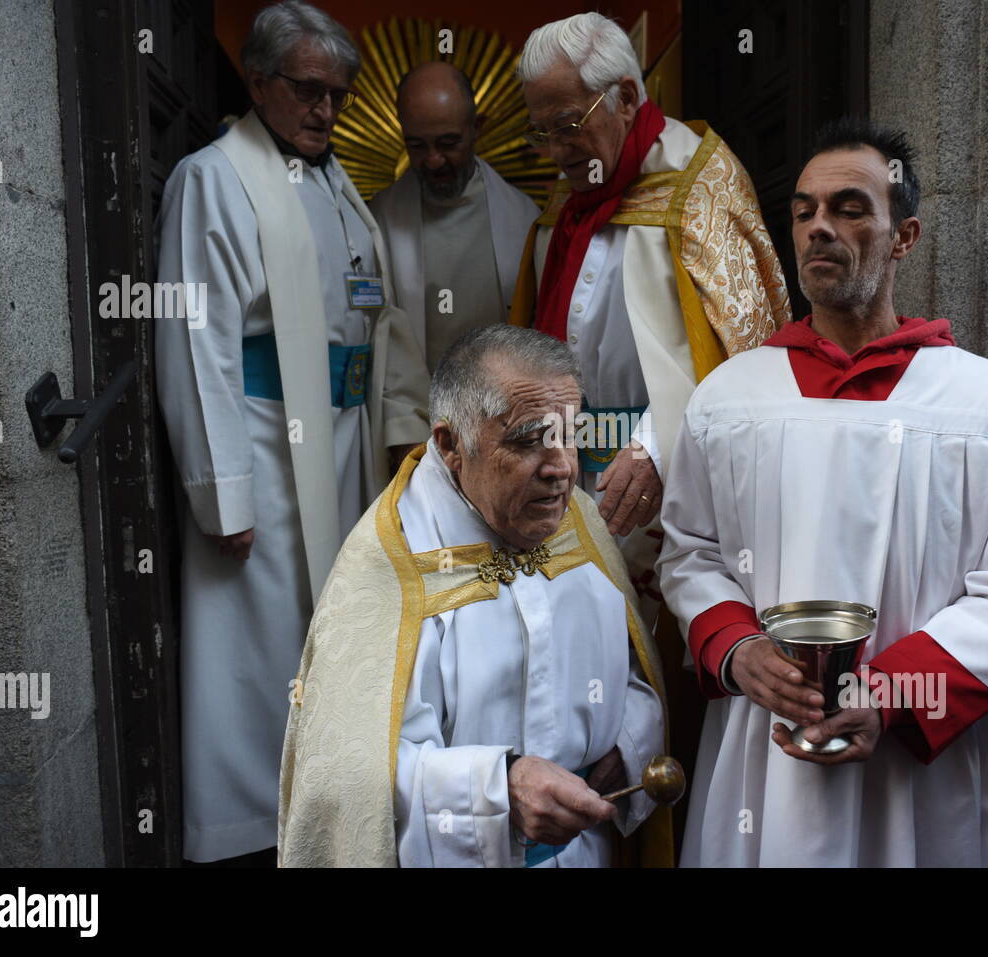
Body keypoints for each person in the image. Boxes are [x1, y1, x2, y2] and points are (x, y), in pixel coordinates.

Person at [657, 117, 988, 867]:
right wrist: (738, 647)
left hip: (923, 775)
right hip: (768, 757)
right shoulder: (729, 399)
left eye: (850, 208)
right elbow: (690, 551)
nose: (819, 227)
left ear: (904, 236)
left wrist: (889, 693)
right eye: (803, 211)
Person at [154, 0, 429, 863]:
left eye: (339, 96)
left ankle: (331, 810)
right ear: (259, 82)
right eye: (308, 91)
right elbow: (197, 342)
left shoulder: (337, 185)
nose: (325, 111)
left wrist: (394, 433)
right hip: (266, 455)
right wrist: (222, 490)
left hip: (341, 449)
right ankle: (247, 830)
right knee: (260, 652)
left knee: (336, 636)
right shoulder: (213, 180)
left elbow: (376, 319)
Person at [278, 325, 672, 867]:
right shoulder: (393, 566)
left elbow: (635, 678)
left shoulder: (581, 527)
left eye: (569, 433)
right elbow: (352, 777)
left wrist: (628, 746)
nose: (561, 468)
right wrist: (498, 790)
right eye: (529, 439)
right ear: (450, 445)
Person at [510, 12, 790, 606]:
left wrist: (657, 447)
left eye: (567, 126)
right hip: (567, 470)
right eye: (540, 133)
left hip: (664, 473)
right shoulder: (575, 186)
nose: (556, 152)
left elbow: (747, 349)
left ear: (628, 96)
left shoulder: (700, 183)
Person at [369, 62, 540, 375]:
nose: (433, 160)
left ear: (477, 127)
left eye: (448, 143)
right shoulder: (378, 221)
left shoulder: (526, 220)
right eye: (417, 145)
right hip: (412, 409)